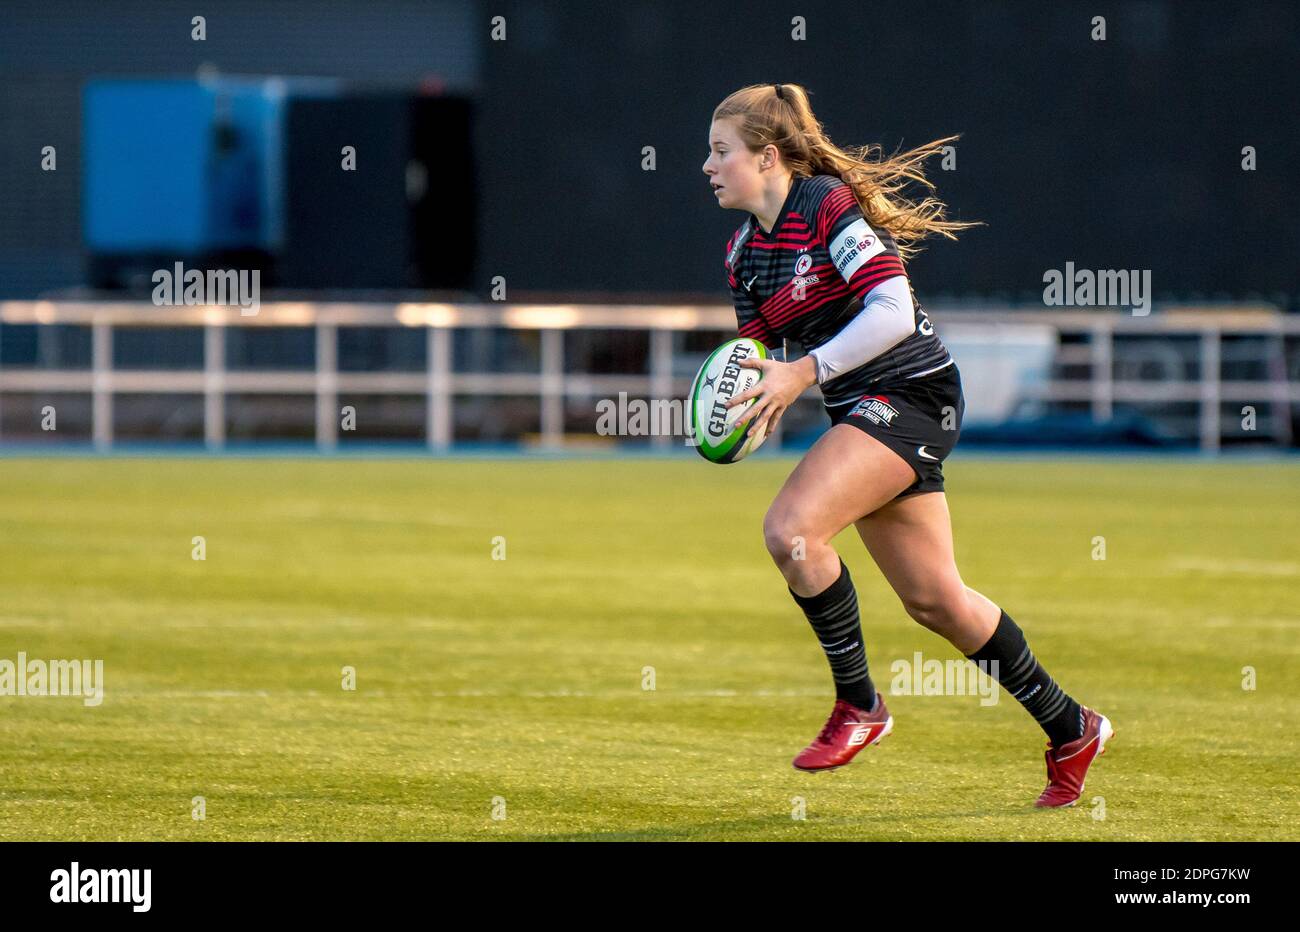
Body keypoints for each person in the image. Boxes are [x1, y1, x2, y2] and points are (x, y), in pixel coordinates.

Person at [702, 82, 1113, 807]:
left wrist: (802, 372)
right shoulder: (743, 255)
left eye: (720, 151)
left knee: (791, 532)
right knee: (935, 600)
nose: (707, 166)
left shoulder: (826, 205)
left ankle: (860, 705)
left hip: (914, 395)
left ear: (767, 158)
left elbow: (892, 311)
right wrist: (743, 419)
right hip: (862, 411)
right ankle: (1071, 725)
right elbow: (757, 361)